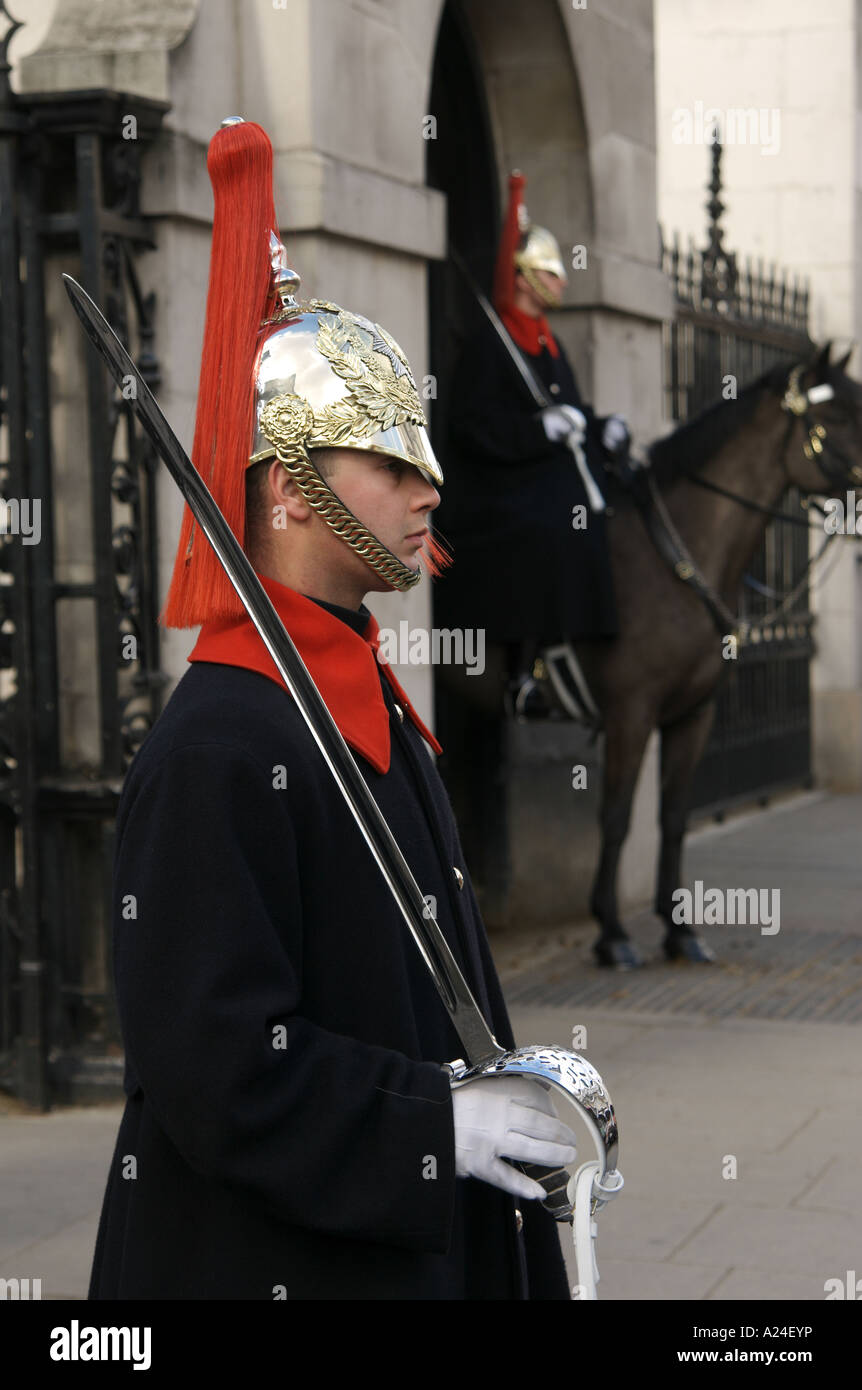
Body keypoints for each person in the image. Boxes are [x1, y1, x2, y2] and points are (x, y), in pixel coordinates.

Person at [86, 120, 575, 1300]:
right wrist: (432, 1128)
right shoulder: (219, 739)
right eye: (392, 465)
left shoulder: (362, 693)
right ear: (293, 490)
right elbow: (214, 1064)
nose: (429, 490)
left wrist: (506, 1087)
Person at [435, 172, 631, 717]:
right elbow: (473, 426)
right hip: (498, 484)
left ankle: (585, 642)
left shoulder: (547, 341)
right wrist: (536, 431)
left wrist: (600, 426)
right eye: (550, 272)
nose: (562, 283)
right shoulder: (490, 343)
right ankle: (524, 670)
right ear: (522, 277)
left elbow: (568, 407)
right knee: (545, 526)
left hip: (547, 473)